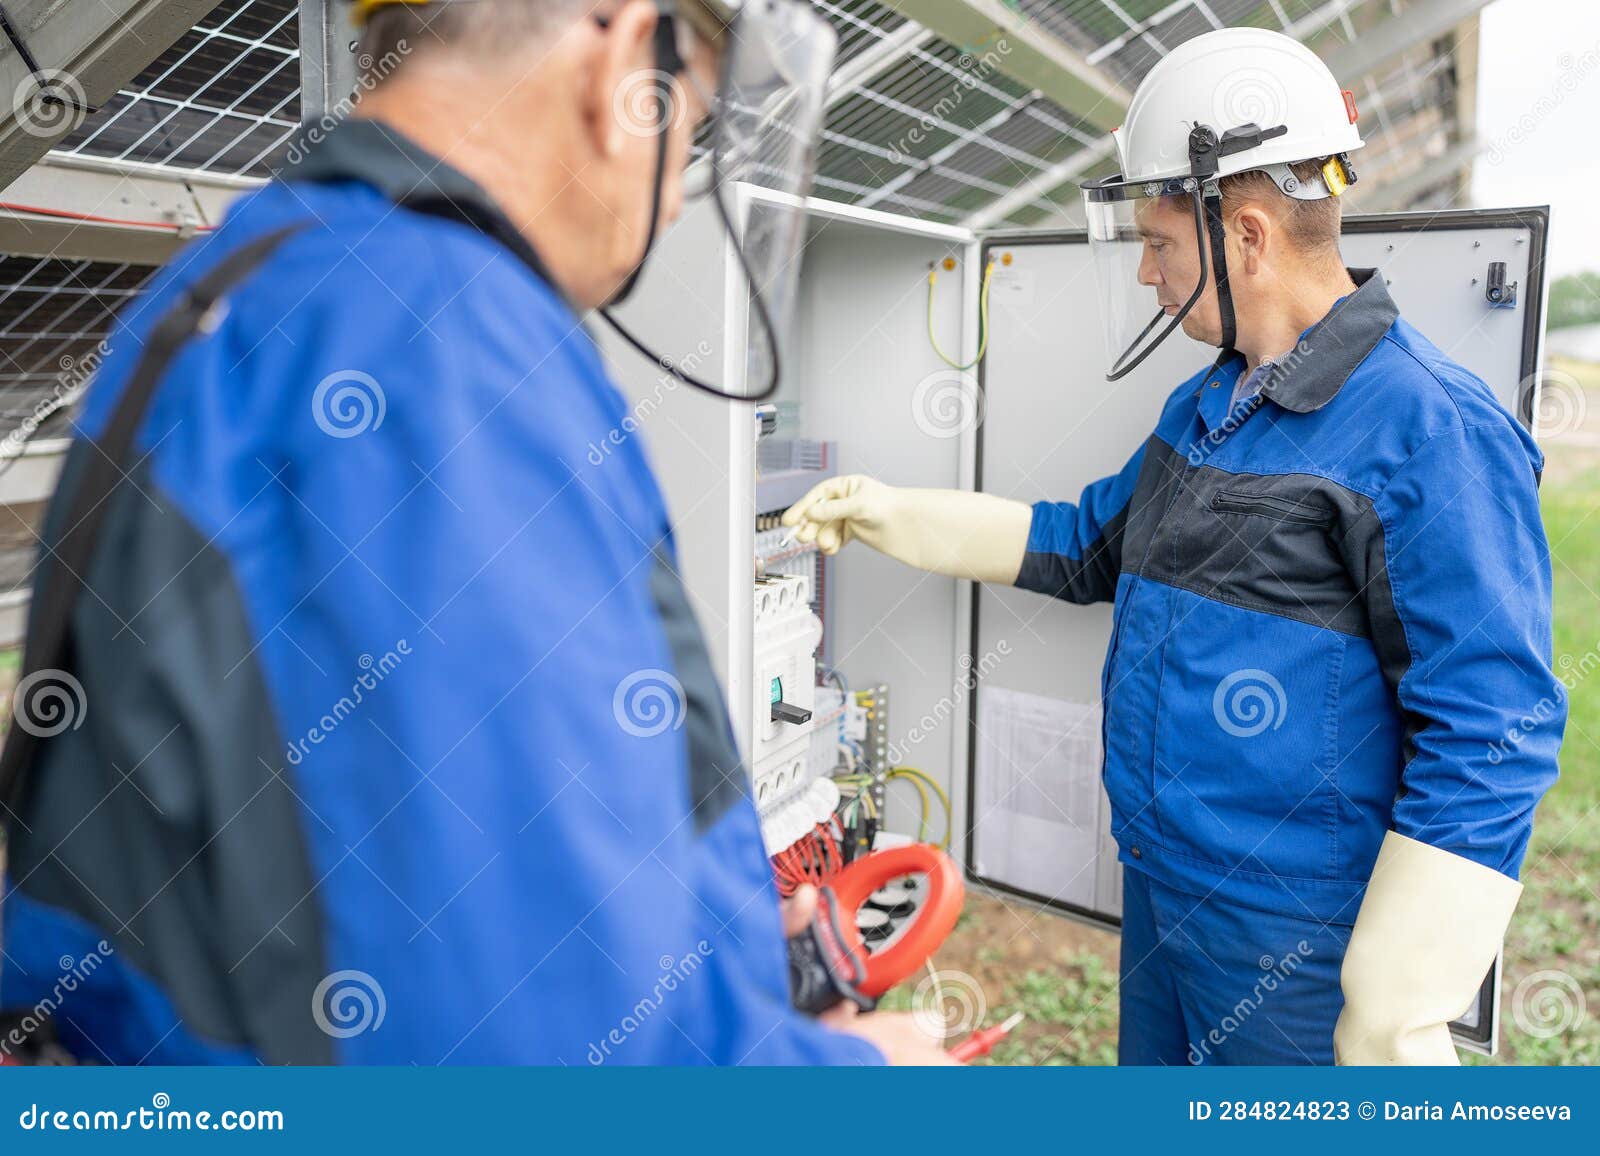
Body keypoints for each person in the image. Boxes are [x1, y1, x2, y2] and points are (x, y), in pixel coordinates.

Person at [0, 0, 951, 1065]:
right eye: (689, 126)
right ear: (628, 51)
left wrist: (715, 962)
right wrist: (859, 1080)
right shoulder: (444, 347)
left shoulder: (243, 278)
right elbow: (529, 1047)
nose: (681, 204)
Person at [784, 27, 1564, 1065]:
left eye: (1158, 246)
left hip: (1301, 944)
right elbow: (1080, 546)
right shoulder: (1203, 406)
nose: (1147, 276)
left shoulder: (1430, 427)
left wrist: (1395, 993)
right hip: (1162, 893)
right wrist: (890, 509)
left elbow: (1494, 725)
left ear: (1244, 233)